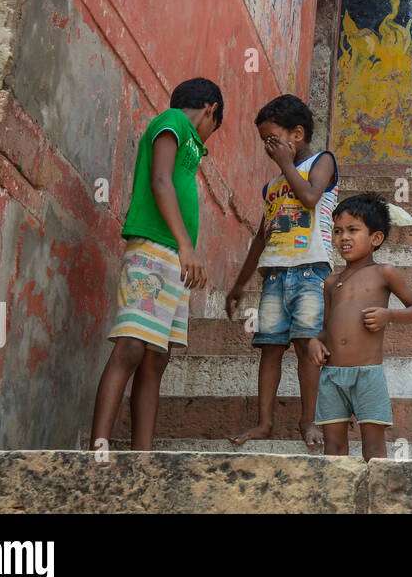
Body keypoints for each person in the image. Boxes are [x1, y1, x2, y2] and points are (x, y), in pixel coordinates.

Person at [89, 78, 223, 453]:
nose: (209, 137)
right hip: (153, 248)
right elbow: (161, 180)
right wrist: (185, 245)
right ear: (211, 110)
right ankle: (97, 449)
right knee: (131, 345)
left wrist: (183, 250)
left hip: (173, 258)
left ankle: (143, 456)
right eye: (215, 127)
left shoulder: (190, 142)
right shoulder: (174, 121)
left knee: (156, 357)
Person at [226, 94, 337, 449]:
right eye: (263, 142)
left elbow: (309, 197)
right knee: (270, 348)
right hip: (275, 275)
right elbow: (261, 237)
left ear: (297, 134)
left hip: (310, 272)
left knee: (307, 345)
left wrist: (288, 164)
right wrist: (240, 284)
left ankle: (308, 421)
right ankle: (265, 422)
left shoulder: (323, 162)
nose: (267, 148)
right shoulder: (273, 186)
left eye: (272, 139)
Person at [306, 193, 412, 461]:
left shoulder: (384, 273)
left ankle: (375, 497)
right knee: (333, 447)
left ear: (376, 239)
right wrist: (316, 340)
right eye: (337, 231)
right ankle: (337, 498)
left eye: (352, 230)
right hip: (332, 376)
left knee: (373, 446)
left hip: (367, 375)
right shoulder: (330, 282)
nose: (343, 238)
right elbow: (328, 328)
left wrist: (388, 315)